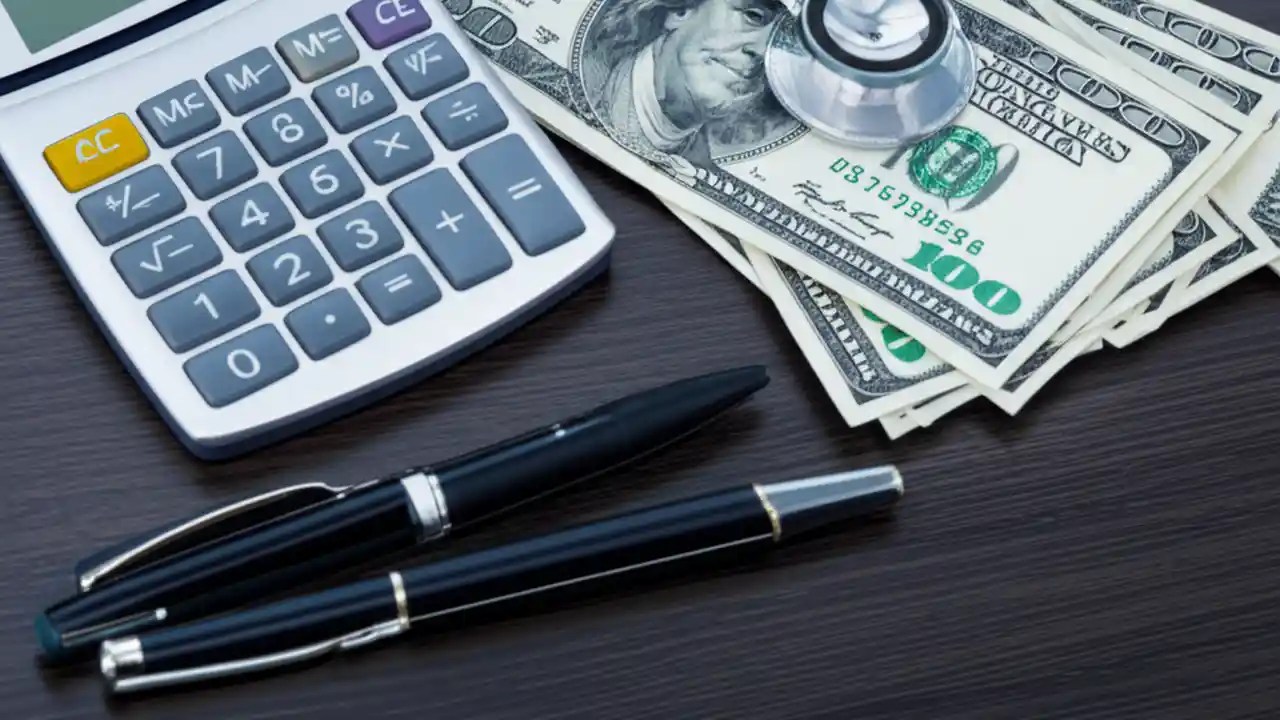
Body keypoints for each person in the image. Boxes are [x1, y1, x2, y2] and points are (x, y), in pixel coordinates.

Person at [581, 0, 794, 167]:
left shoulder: (702, 169)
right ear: (681, 10)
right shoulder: (588, 81)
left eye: (784, 41)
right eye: (753, 16)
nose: (765, 52)